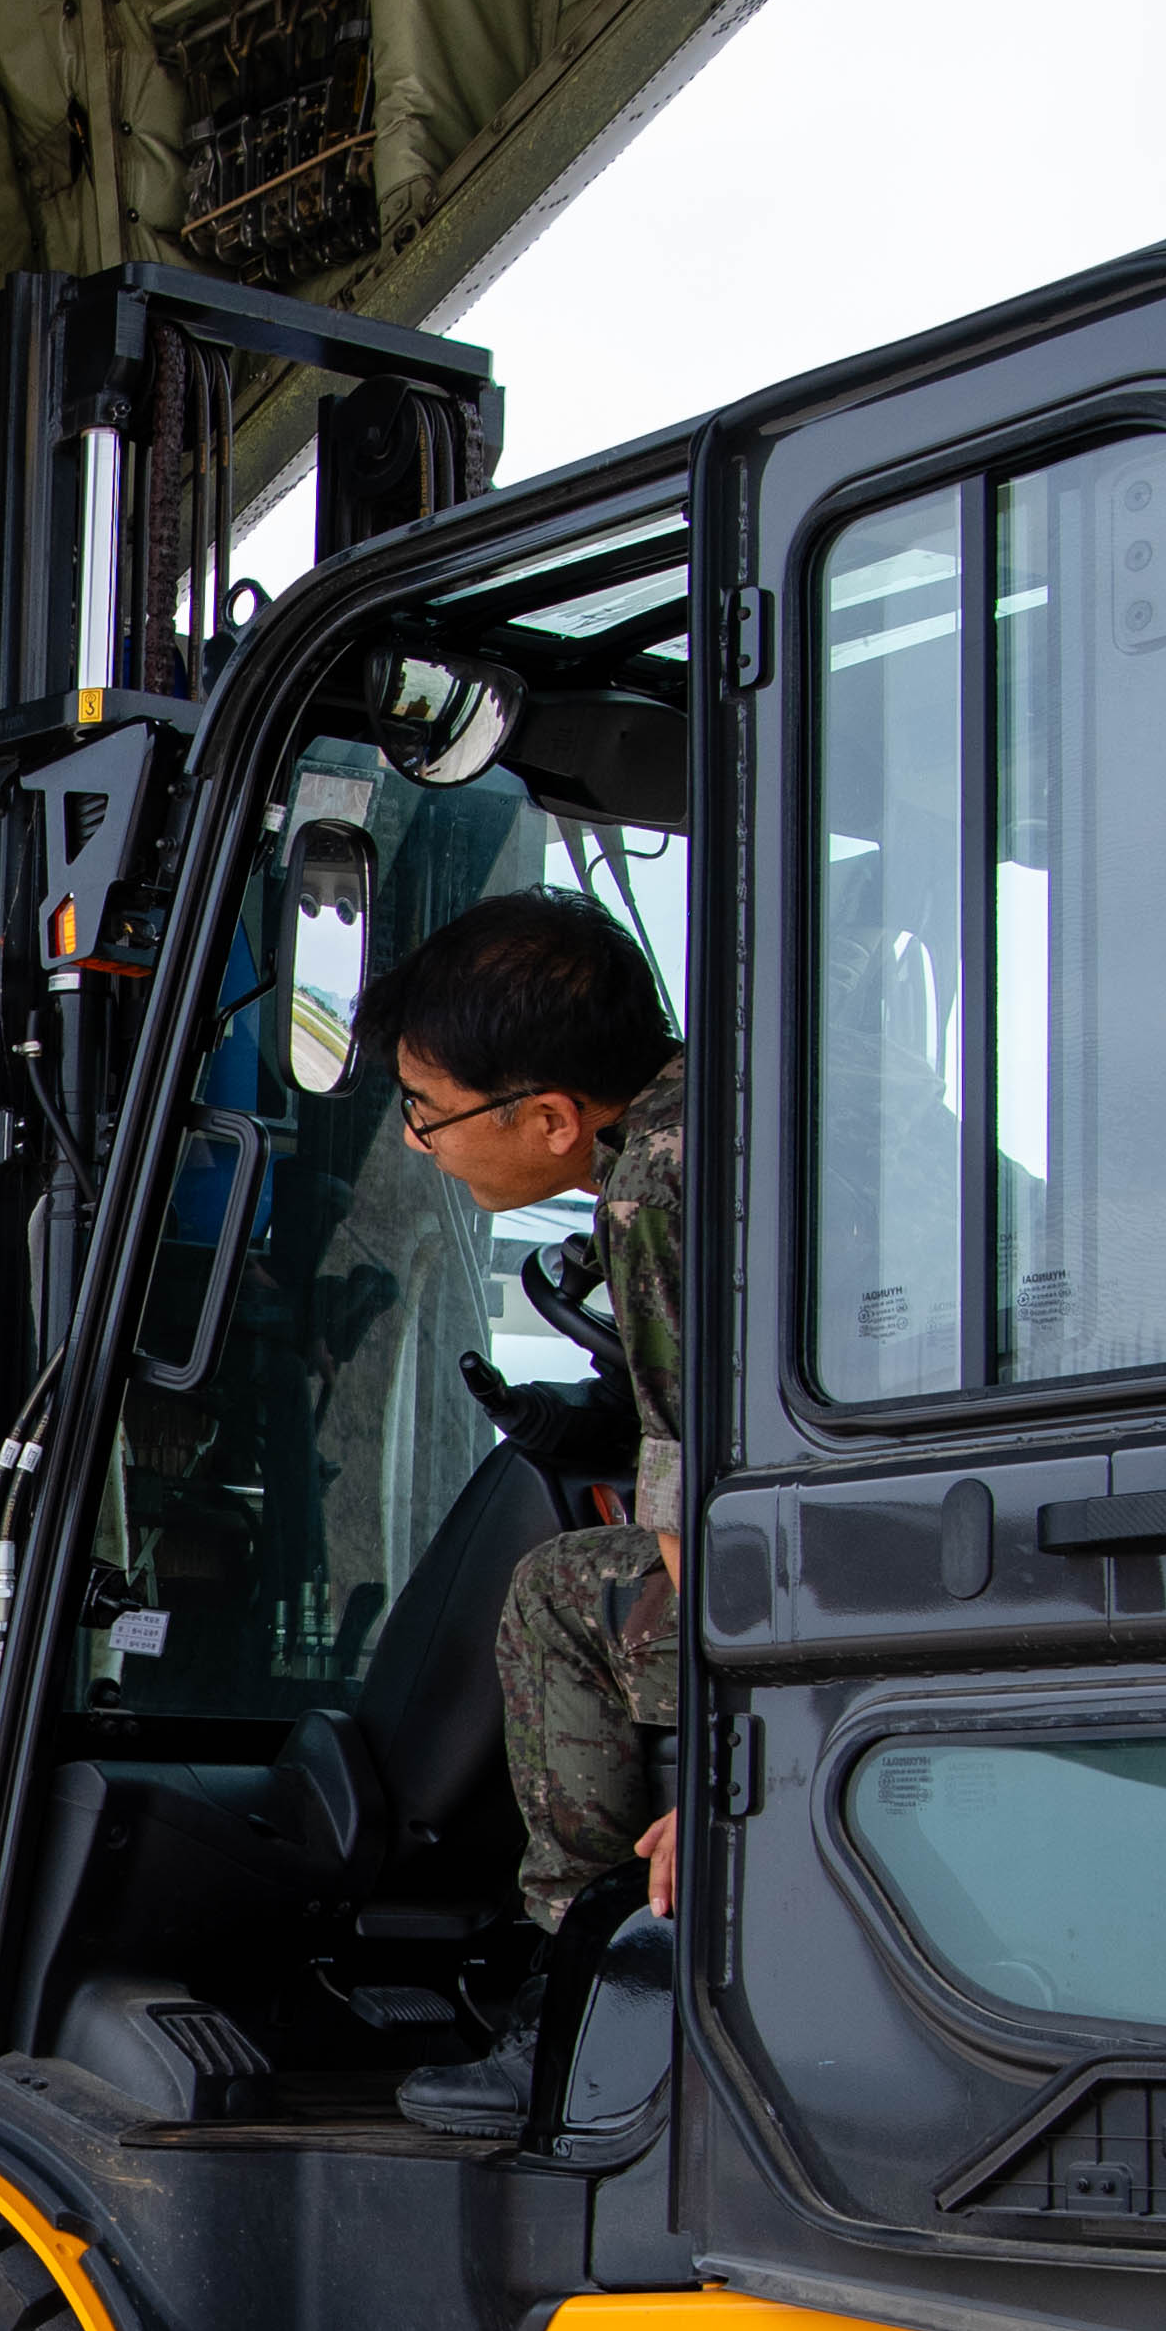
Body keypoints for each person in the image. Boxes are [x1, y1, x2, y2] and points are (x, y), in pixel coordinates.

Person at [361, 897, 685, 2135]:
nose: (419, 1144)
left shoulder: (653, 1181)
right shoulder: (737, 1112)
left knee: (560, 1591)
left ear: (551, 1117)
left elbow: (706, 1510)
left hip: (852, 1576)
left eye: (427, 1114)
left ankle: (586, 1995)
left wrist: (729, 1784)